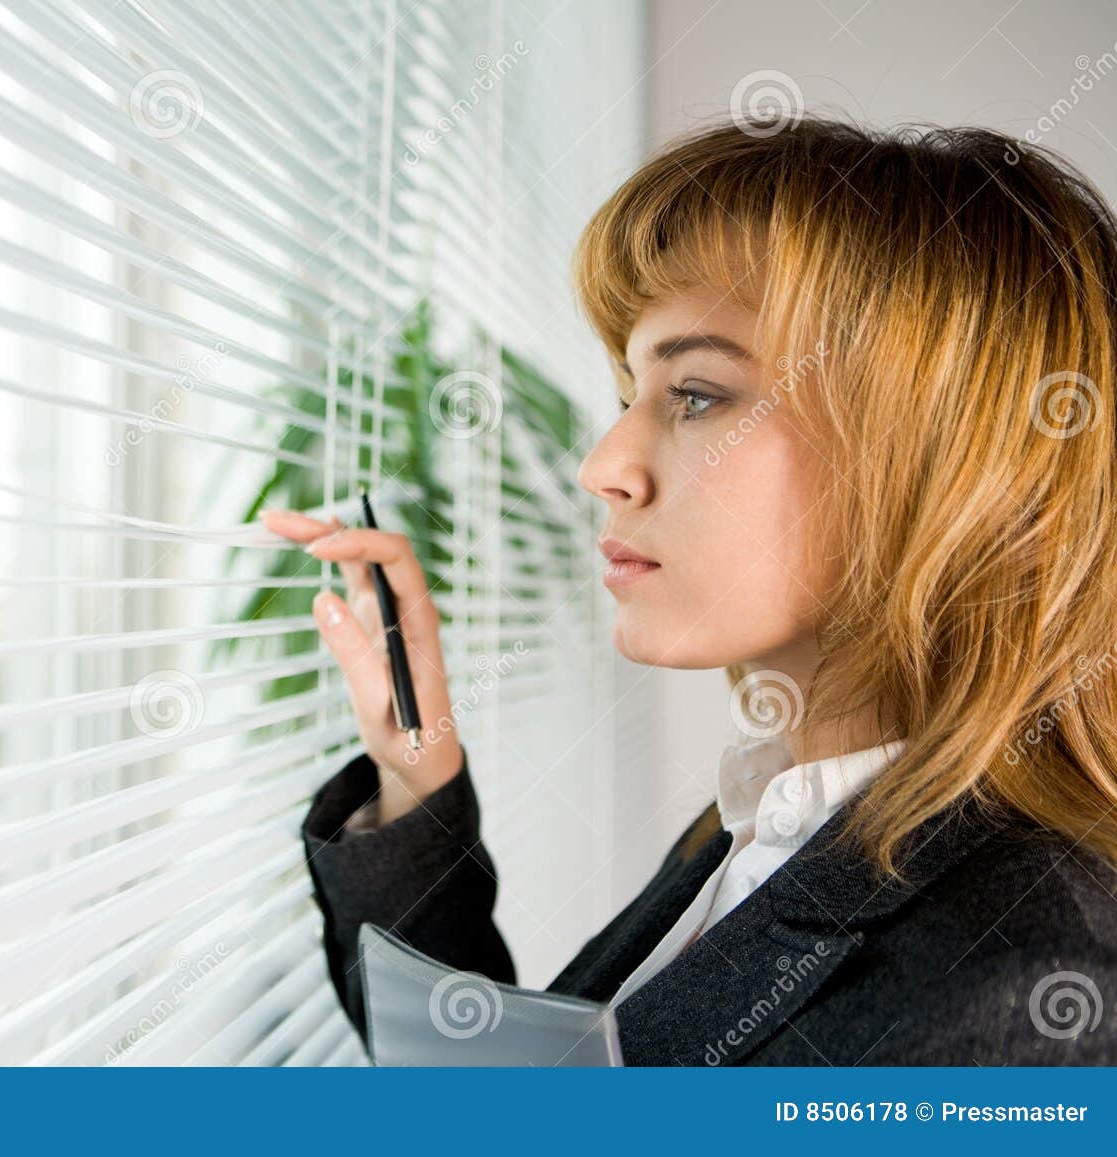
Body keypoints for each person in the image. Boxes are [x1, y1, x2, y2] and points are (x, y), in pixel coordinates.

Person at [259, 115, 1117, 1066]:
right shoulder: (764, 825)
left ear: (943, 456)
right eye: (629, 392)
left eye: (697, 394)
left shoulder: (1032, 989)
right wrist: (413, 774)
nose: (604, 464)